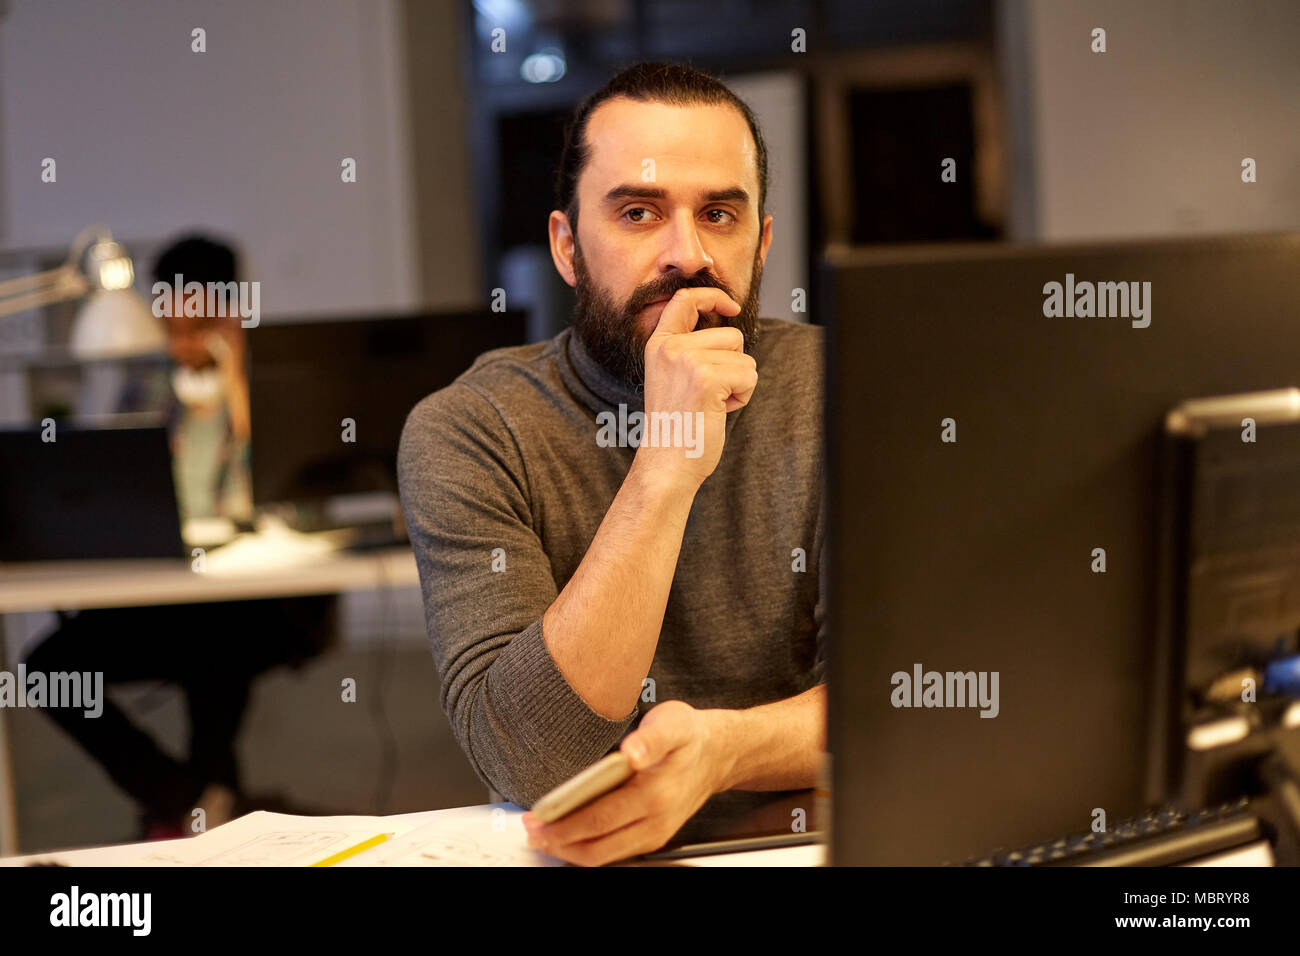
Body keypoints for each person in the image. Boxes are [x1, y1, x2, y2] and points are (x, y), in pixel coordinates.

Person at [397, 62, 825, 866]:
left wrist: (724, 752)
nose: (686, 255)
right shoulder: (470, 430)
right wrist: (666, 467)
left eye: (720, 214)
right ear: (567, 247)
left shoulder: (844, 391)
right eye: (638, 212)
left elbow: (907, 696)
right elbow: (529, 757)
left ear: (763, 241)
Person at [23, 235, 335, 840]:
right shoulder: (138, 385)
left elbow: (282, 495)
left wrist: (238, 393)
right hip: (164, 588)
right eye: (174, 324)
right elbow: (97, 488)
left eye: (203, 323)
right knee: (46, 670)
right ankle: (193, 799)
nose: (186, 341)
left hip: (265, 599)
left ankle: (197, 816)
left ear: (234, 312)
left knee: (216, 641)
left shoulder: (279, 386)